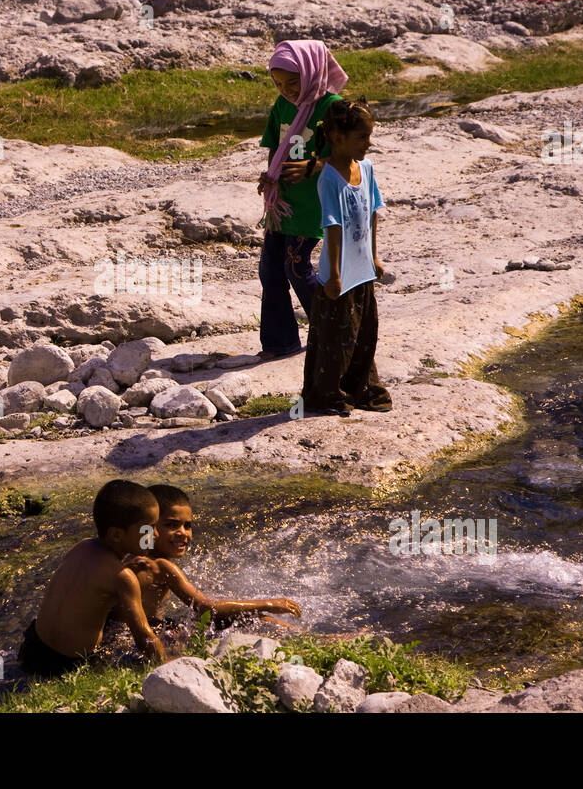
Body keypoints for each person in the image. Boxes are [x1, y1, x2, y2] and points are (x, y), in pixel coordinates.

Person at [18, 479, 166, 678]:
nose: (156, 534)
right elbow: (143, 636)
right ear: (116, 535)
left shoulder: (81, 546)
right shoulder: (123, 578)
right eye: (149, 528)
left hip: (33, 646)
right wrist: (168, 664)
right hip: (69, 665)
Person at [256, 40, 348, 360]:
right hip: (283, 204)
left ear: (311, 72)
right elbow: (274, 145)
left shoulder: (332, 108)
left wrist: (312, 166)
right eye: (278, 84)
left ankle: (333, 328)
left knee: (296, 266)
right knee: (270, 269)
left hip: (314, 203)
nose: (286, 90)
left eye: (293, 83)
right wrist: (270, 175)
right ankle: (280, 343)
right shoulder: (282, 106)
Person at [301, 99, 393, 417]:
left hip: (363, 270)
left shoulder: (365, 169)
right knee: (334, 339)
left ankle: (359, 387)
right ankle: (324, 393)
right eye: (362, 137)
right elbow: (333, 227)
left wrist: (374, 258)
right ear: (338, 138)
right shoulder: (329, 178)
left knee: (364, 333)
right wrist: (335, 275)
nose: (369, 144)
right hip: (339, 277)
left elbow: (371, 215)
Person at [124, 484, 302, 634]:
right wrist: (268, 603)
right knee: (250, 619)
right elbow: (206, 608)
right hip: (142, 634)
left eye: (187, 525)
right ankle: (306, 639)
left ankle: (303, 637)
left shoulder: (131, 556)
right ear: (148, 527)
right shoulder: (159, 566)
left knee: (245, 618)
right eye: (171, 525)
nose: (183, 533)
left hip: (140, 628)